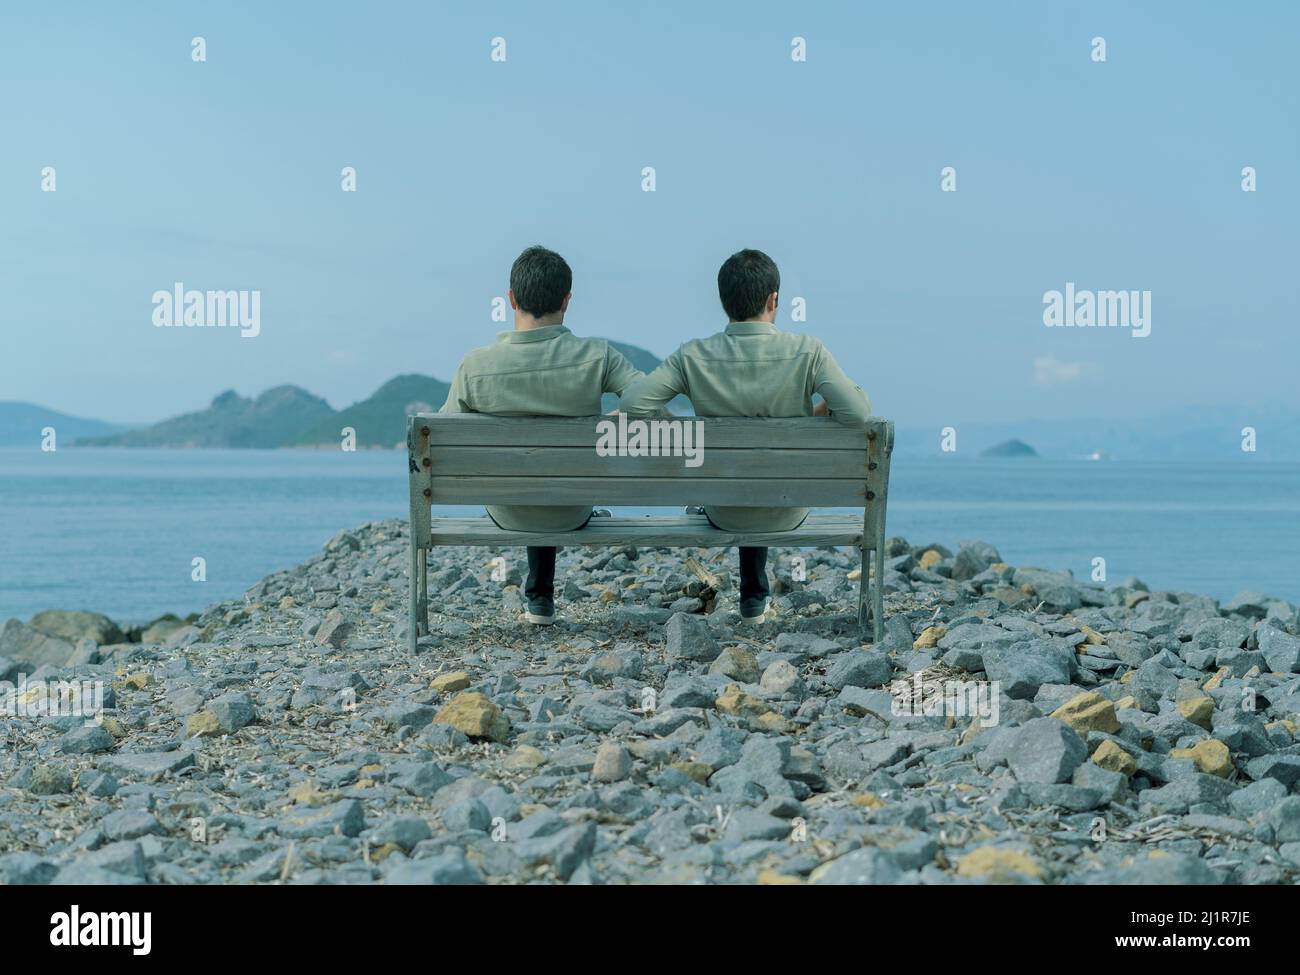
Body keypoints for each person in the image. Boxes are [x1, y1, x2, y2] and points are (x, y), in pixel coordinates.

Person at [619, 248, 871, 623]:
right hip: (786, 507)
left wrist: (673, 423)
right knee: (766, 484)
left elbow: (633, 403)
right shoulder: (807, 351)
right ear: (773, 300)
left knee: (739, 486)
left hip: (722, 507)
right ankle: (755, 599)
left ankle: (753, 598)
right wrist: (812, 414)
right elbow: (857, 412)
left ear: (724, 302)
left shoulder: (693, 355)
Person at [440, 245, 644, 624]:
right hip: (573, 506)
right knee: (553, 485)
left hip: (508, 509)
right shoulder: (598, 356)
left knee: (529, 482)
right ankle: (540, 597)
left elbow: (439, 440)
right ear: (567, 301)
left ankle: (539, 599)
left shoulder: (475, 365)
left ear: (511, 299)